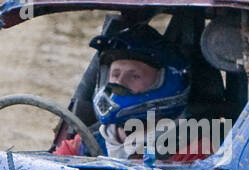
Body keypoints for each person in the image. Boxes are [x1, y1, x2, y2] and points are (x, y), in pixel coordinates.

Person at [53, 26, 211, 162]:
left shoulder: (192, 149)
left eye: (134, 76)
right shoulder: (84, 144)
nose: (119, 83)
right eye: (115, 74)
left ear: (166, 85)